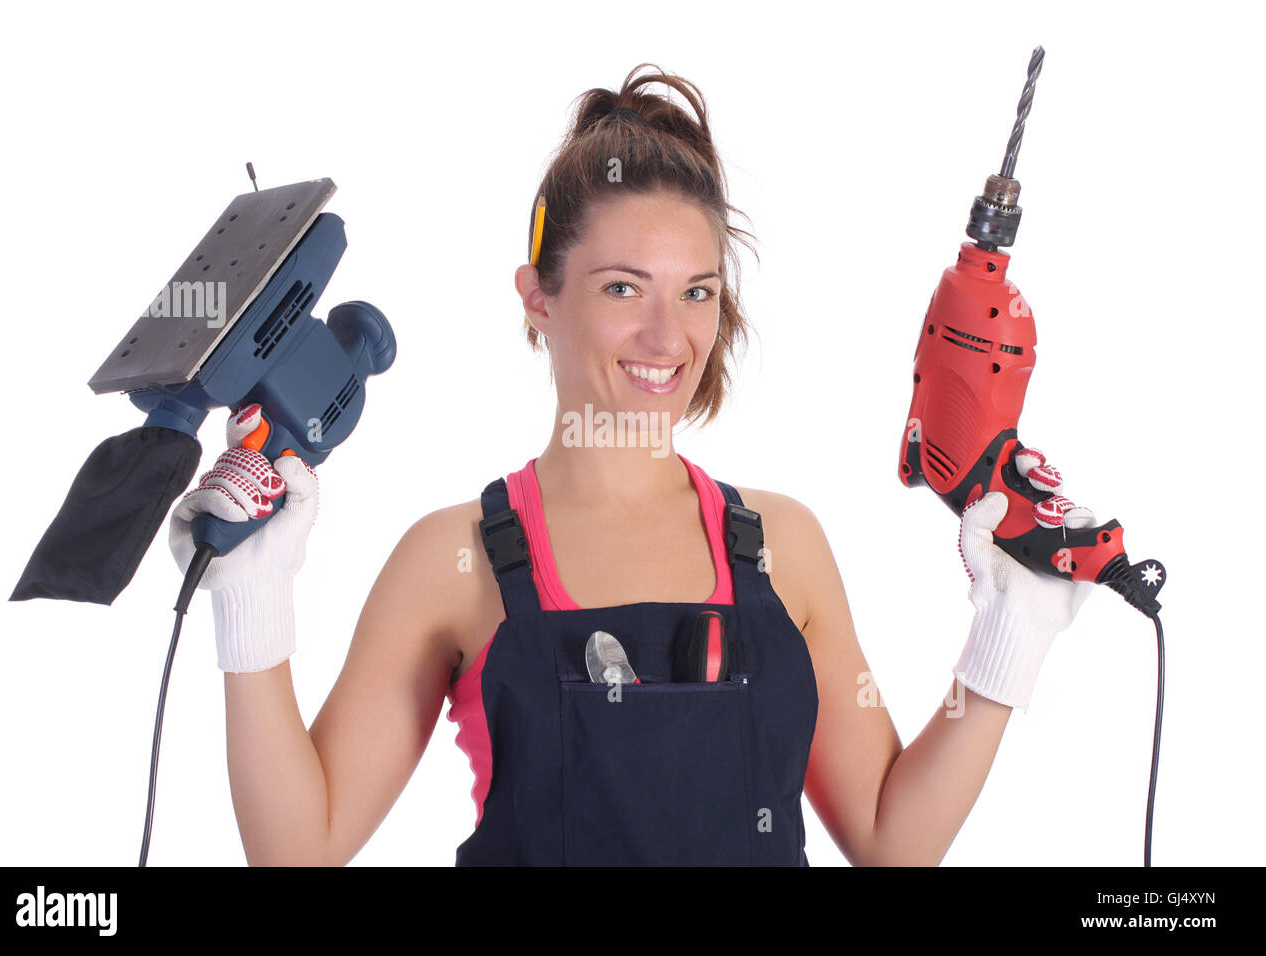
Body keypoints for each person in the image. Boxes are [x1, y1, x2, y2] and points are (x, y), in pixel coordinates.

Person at [169, 64, 1095, 866]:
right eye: (623, 288)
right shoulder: (450, 561)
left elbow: (895, 841)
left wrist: (1006, 642)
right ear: (538, 296)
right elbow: (298, 848)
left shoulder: (783, 546)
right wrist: (253, 605)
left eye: (696, 292)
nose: (668, 335)